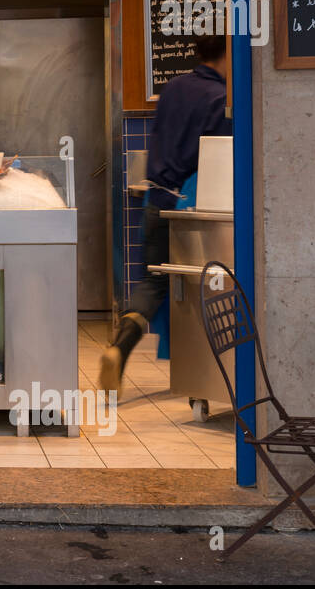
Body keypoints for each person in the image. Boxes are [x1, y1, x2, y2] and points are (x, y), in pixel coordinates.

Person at [100, 32, 233, 395]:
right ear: (226, 56)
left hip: (156, 201)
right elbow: (219, 161)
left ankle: (120, 347)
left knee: (153, 281)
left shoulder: (173, 88)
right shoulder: (221, 99)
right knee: (204, 286)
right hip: (191, 207)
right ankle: (207, 379)